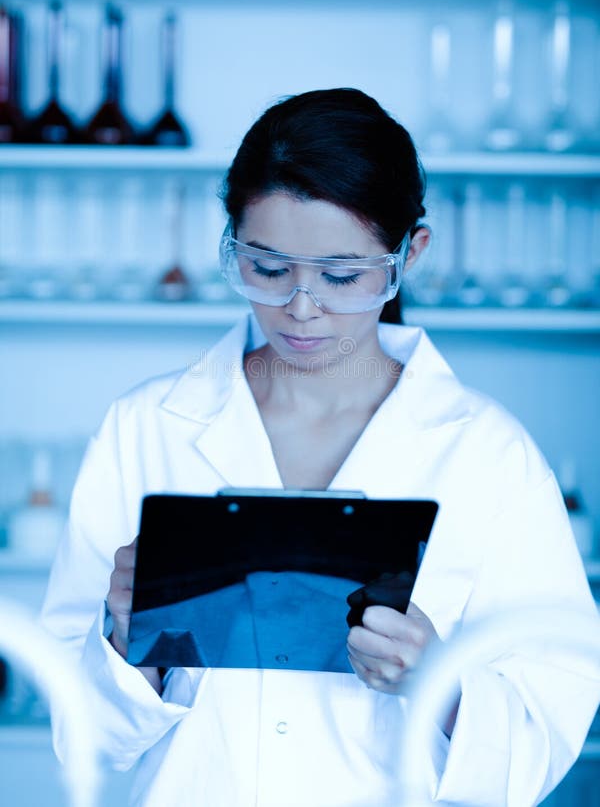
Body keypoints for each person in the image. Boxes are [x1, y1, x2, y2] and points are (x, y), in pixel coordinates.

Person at [41, 88, 598, 807]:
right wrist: (123, 641)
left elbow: (550, 723)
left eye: (341, 275)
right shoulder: (146, 428)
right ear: (232, 244)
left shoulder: (488, 455)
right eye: (269, 269)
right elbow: (82, 736)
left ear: (409, 254)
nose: (302, 309)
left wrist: (439, 684)